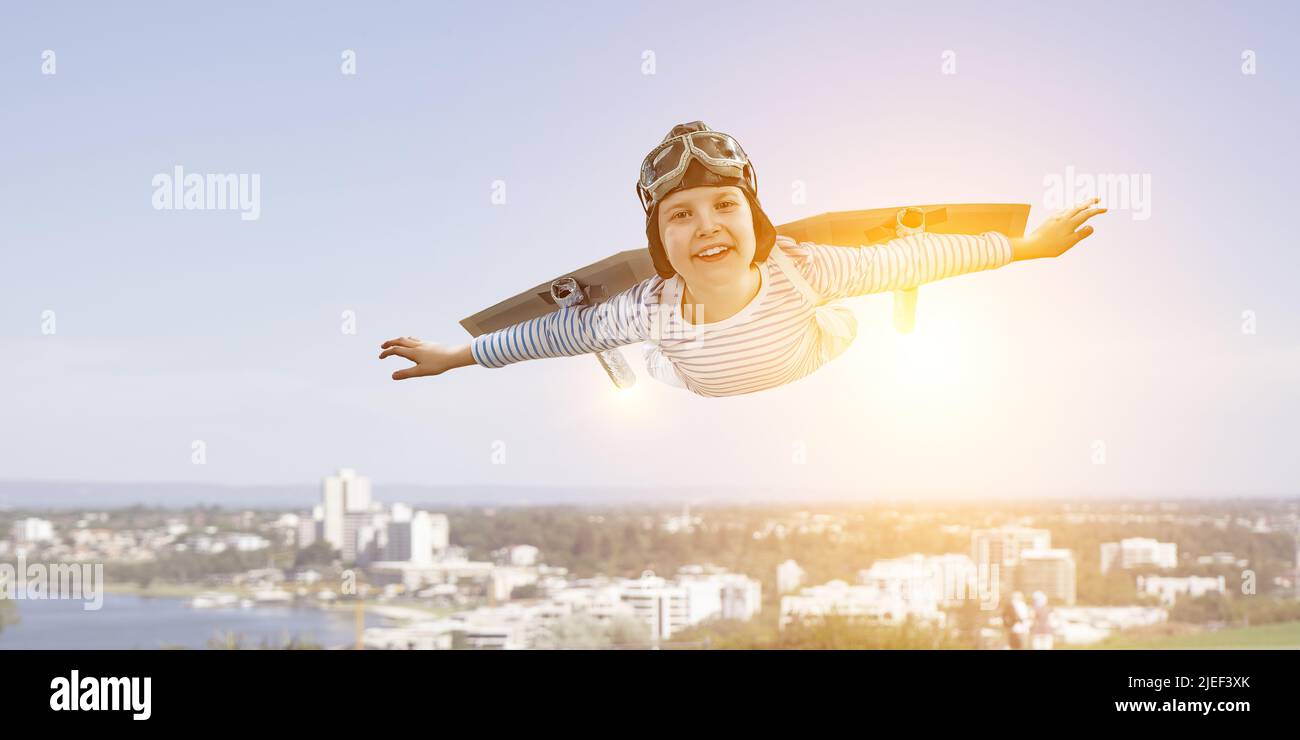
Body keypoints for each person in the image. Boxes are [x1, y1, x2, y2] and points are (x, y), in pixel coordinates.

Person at [380, 121, 1106, 397]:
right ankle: (620, 361)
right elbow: (538, 338)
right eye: (681, 217)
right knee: (625, 348)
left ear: (755, 220)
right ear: (660, 243)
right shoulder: (650, 307)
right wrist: (455, 355)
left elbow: (944, 256)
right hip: (696, 375)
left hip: (808, 347)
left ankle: (889, 266)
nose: (707, 226)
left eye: (726, 207)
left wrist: (1028, 249)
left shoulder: (804, 267)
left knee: (871, 295)